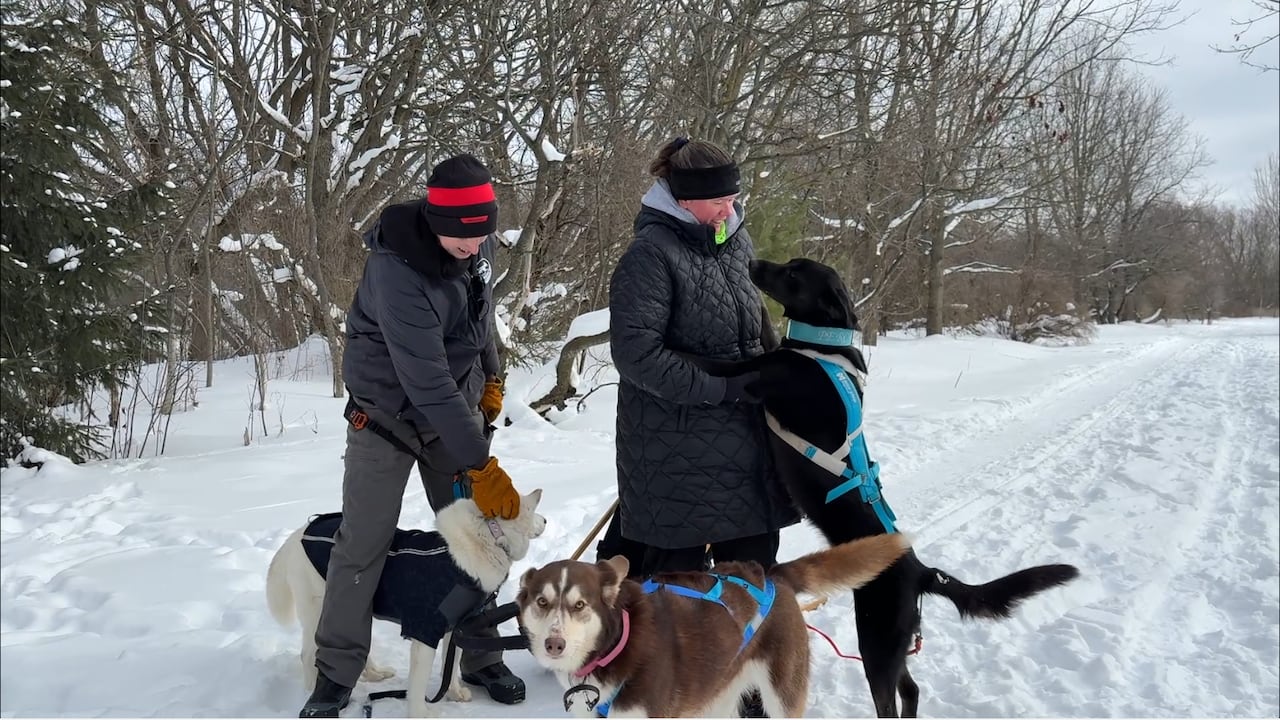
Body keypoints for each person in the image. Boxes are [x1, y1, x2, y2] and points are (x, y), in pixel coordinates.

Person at [300, 154, 525, 718]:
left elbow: (480, 317)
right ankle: (336, 670)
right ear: (435, 222)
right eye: (463, 239)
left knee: (478, 534)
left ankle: (481, 653)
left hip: (451, 407)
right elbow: (424, 382)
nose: (475, 248)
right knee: (365, 538)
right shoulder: (394, 270)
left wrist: (492, 376)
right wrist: (481, 462)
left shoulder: (474, 243)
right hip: (386, 417)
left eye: (483, 237)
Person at [606, 137, 798, 580]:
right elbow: (637, 355)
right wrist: (721, 388)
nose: (728, 211)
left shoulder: (736, 240)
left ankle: (749, 647)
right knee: (676, 586)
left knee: (752, 571)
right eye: (717, 202)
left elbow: (757, 325)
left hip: (745, 436)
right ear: (683, 199)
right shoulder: (649, 255)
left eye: (733, 199)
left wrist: (779, 372)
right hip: (674, 444)